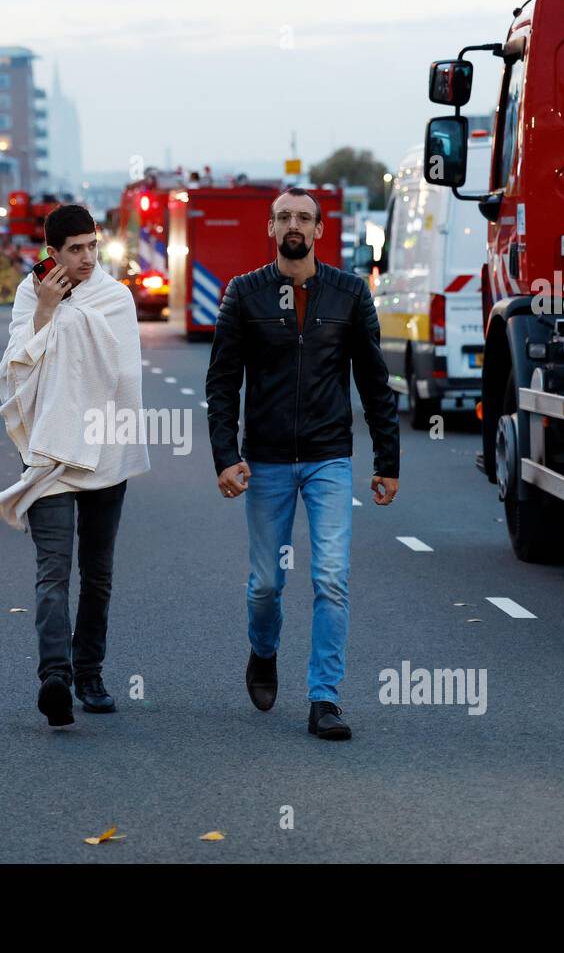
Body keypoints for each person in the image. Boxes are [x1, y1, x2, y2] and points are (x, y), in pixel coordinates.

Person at [204, 186, 400, 740]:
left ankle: (324, 699)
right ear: (271, 228)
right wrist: (226, 456)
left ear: (319, 230)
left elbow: (374, 382)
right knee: (266, 584)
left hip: (328, 459)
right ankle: (263, 652)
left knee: (331, 578)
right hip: (264, 461)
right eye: (284, 216)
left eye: (305, 217)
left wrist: (388, 461)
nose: (295, 224)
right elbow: (221, 384)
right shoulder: (244, 294)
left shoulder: (349, 293)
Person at [0, 205, 150, 727]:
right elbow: (17, 367)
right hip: (51, 451)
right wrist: (45, 310)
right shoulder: (30, 294)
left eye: (92, 246)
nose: (87, 258)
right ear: (52, 253)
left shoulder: (116, 297)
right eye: (75, 249)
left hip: (106, 447)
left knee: (99, 572)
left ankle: (91, 674)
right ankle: (55, 678)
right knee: (53, 570)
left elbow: (121, 375)